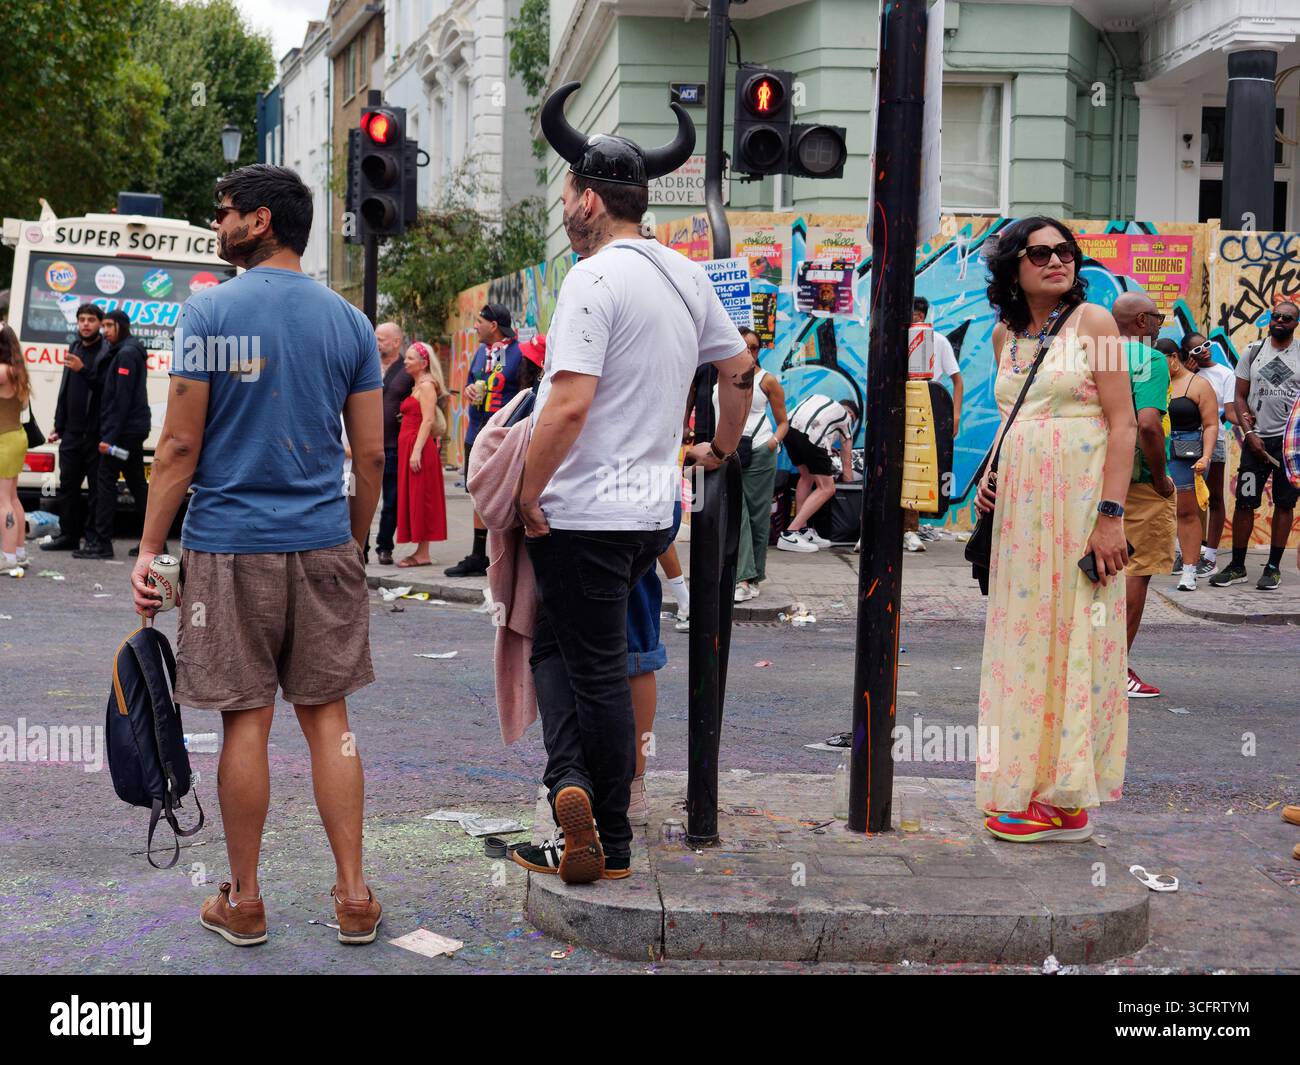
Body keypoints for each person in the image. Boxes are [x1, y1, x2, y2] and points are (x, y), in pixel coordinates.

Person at [130, 164, 385, 947]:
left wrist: (148, 549)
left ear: (266, 221)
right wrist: (352, 536)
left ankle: (244, 900)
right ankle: (353, 895)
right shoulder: (349, 322)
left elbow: (177, 443)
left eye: (228, 212)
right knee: (330, 722)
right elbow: (370, 456)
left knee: (246, 720)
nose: (219, 224)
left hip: (230, 547)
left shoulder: (210, 313)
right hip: (321, 543)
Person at [508, 81, 751, 884]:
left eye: (569, 193)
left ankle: (604, 833)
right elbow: (740, 369)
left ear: (586, 200)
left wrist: (527, 491)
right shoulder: (686, 275)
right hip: (652, 512)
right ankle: (572, 790)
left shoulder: (591, 278)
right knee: (568, 648)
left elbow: (570, 402)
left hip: (583, 510)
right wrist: (716, 449)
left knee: (593, 662)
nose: (567, 208)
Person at [974, 215, 1136, 843]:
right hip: (1021, 517)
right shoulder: (1002, 336)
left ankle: (1063, 793)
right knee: (1026, 641)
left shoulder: (1094, 324)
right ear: (1013, 267)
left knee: (1075, 637)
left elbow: (1122, 424)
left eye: (1064, 251)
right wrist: (993, 473)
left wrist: (1110, 518)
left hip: (1080, 509)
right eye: (1038, 253)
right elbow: (1019, 416)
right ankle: (1036, 787)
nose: (1055, 262)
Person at [1209, 300, 1300, 591]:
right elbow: (1239, 396)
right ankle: (1237, 566)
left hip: (1288, 448)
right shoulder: (1254, 351)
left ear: (1295, 324)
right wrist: (1249, 433)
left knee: (1285, 504)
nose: (1280, 321)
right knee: (1245, 503)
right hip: (1254, 441)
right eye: (1276, 316)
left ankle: (1272, 568)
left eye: (1287, 318)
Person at [1113, 294, 1174, 699]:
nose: (1160, 323)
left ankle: (1091, 662)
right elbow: (1149, 425)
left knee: (1099, 574)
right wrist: (1161, 478)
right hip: (1137, 484)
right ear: (1140, 322)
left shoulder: (1093, 356)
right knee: (1136, 572)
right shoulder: (1149, 361)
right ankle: (1117, 669)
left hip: (1097, 480)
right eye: (1157, 317)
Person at [446, 304, 526, 578]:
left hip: (504, 437)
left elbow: (527, 394)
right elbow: (471, 380)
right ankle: (478, 555)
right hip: (476, 434)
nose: (475, 327)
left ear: (493, 325)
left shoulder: (519, 354)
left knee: (509, 495)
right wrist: (469, 389)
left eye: (479, 322)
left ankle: (513, 555)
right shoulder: (481, 353)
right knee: (476, 494)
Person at [715, 327, 789, 603]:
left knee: (756, 516)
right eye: (744, 346)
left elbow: (783, 421)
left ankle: (751, 577)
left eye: (754, 347)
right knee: (737, 512)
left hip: (758, 449)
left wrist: (772, 442)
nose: (749, 351)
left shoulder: (766, 380)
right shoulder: (723, 373)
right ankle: (744, 575)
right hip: (727, 451)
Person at [75, 310, 150, 561]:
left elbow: (121, 399)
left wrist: (109, 436)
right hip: (131, 430)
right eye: (104, 325)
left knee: (105, 483)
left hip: (123, 432)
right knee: (138, 485)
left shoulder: (127, 354)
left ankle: (101, 543)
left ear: (121, 326)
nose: (105, 330)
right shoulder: (122, 350)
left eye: (109, 325)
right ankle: (154, 544)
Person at [44, 303, 109, 553]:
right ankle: (68, 535)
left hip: (95, 432)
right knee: (68, 486)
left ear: (99, 324)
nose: (85, 324)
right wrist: (59, 425)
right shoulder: (74, 347)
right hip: (71, 432)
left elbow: (106, 388)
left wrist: (85, 370)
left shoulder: (106, 351)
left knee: (95, 490)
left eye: (91, 319)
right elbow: (65, 389)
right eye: (81, 319)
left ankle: (92, 538)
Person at [904, 297, 965, 552]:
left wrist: (955, 415)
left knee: (919, 467)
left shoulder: (936, 341)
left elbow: (957, 380)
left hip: (927, 407)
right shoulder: (898, 339)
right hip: (900, 406)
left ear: (921, 316)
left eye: (916, 314)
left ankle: (910, 530)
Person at [1164, 341, 1219, 591]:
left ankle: (1189, 571)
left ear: (1174, 357)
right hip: (1157, 447)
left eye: (1161, 360)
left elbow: (1210, 425)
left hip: (1187, 450)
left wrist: (1205, 457)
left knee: (1186, 512)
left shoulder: (1198, 384)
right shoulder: (1154, 380)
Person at [776, 394, 859, 553]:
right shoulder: (847, 419)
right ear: (851, 415)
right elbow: (847, 459)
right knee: (827, 488)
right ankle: (790, 533)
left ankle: (802, 530)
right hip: (812, 436)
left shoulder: (819, 399)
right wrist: (849, 488)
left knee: (806, 477)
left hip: (788, 431)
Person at [1187, 332, 1237, 574]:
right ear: (1188, 355)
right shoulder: (1186, 376)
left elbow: (1228, 412)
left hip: (1213, 439)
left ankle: (1211, 556)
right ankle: (1189, 553)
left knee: (1215, 497)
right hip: (1187, 440)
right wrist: (1188, 373)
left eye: (1205, 345)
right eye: (1197, 350)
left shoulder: (1226, 374)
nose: (1204, 351)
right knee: (1188, 497)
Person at [396, 341, 448, 566]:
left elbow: (427, 420)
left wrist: (416, 451)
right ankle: (419, 550)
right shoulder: (417, 385)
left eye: (410, 359)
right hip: (410, 446)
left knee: (421, 498)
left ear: (423, 363)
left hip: (418, 448)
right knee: (414, 497)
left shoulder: (427, 386)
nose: (405, 362)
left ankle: (422, 553)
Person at [373, 321, 413, 566]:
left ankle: (384, 547)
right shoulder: (368, 364)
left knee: (392, 500)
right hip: (366, 443)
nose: (377, 344)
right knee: (358, 497)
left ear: (396, 342)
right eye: (376, 338)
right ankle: (359, 545)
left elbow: (429, 394)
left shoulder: (406, 368)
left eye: (382, 339)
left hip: (394, 445)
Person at [0, 324, 32, 569]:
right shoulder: (17, 371)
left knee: (3, 500)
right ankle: (18, 551)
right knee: (12, 497)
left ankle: (8, 556)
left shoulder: (2, 371)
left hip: (4, 439)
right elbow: (21, 408)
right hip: (15, 435)